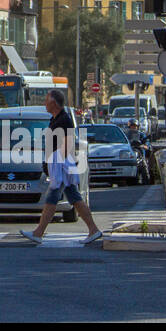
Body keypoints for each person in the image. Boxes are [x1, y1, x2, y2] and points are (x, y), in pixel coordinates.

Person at [20, 90, 104, 245]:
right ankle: (93, 230)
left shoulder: (64, 120)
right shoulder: (56, 119)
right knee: (74, 198)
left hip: (62, 166)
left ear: (54, 103)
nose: (44, 103)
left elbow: (68, 143)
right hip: (59, 165)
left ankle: (39, 232)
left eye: (47, 100)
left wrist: (56, 164)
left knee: (54, 197)